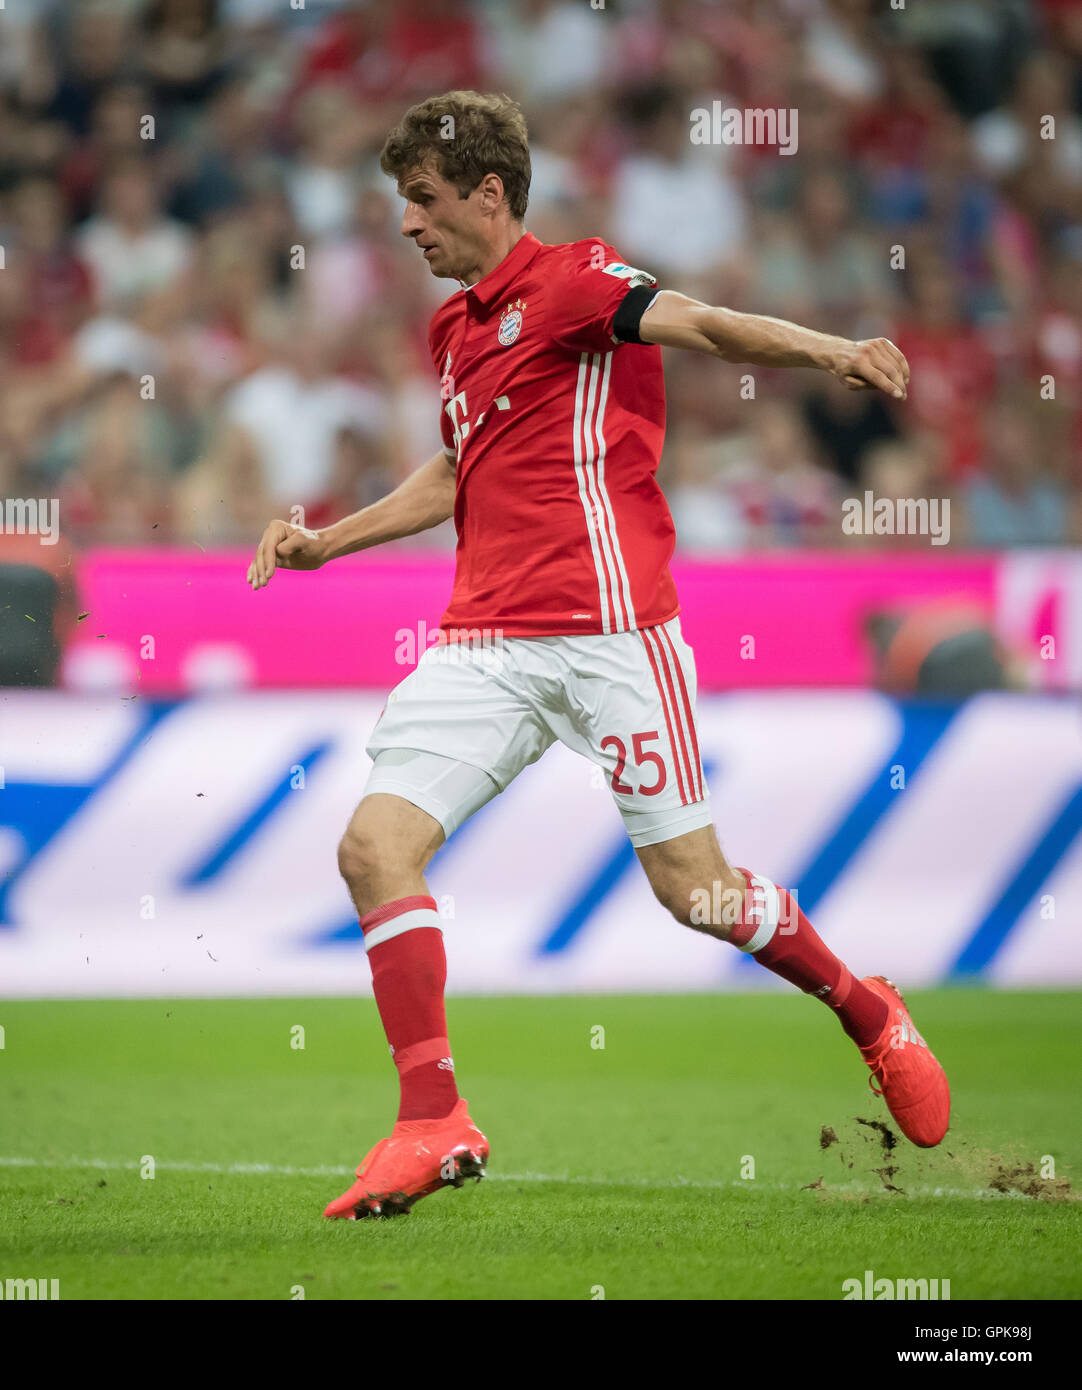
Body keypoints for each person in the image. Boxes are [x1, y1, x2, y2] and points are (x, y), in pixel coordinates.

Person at [247, 91, 949, 1221]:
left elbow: (708, 324)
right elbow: (456, 471)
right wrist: (329, 542)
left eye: (422, 201)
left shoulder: (575, 282)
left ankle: (868, 1009)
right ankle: (432, 1118)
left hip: (614, 632)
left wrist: (835, 353)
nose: (408, 225)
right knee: (375, 847)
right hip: (484, 639)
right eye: (399, 206)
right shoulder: (452, 330)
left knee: (698, 894)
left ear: (487, 192)